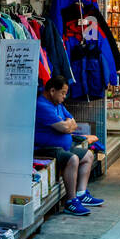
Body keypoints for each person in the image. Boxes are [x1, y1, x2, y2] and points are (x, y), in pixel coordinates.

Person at [34, 76, 103, 216]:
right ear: (52, 91)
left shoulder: (58, 104)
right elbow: (64, 127)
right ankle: (70, 201)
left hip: (61, 148)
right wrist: (67, 125)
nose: (65, 96)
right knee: (73, 159)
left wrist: (67, 125)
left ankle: (81, 194)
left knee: (88, 155)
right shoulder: (42, 105)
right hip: (45, 149)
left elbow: (73, 123)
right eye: (63, 93)